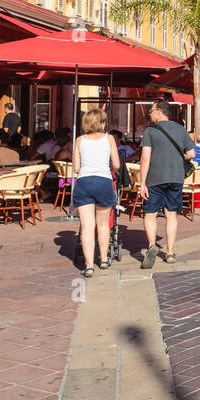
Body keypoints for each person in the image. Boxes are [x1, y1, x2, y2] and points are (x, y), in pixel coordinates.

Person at [138, 100, 195, 268]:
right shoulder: (180, 129)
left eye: (151, 110)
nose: (149, 113)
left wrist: (142, 183)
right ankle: (169, 252)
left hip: (154, 178)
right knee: (171, 215)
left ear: (159, 112)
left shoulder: (150, 131)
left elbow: (145, 158)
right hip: (175, 177)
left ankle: (151, 245)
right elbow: (191, 153)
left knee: (150, 213)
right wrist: (178, 158)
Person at [72, 107, 120, 277]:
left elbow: (76, 167)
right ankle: (104, 259)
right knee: (102, 224)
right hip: (103, 181)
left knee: (87, 226)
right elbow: (116, 165)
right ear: (101, 122)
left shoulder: (79, 140)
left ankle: (89, 265)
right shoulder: (109, 139)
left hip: (84, 182)